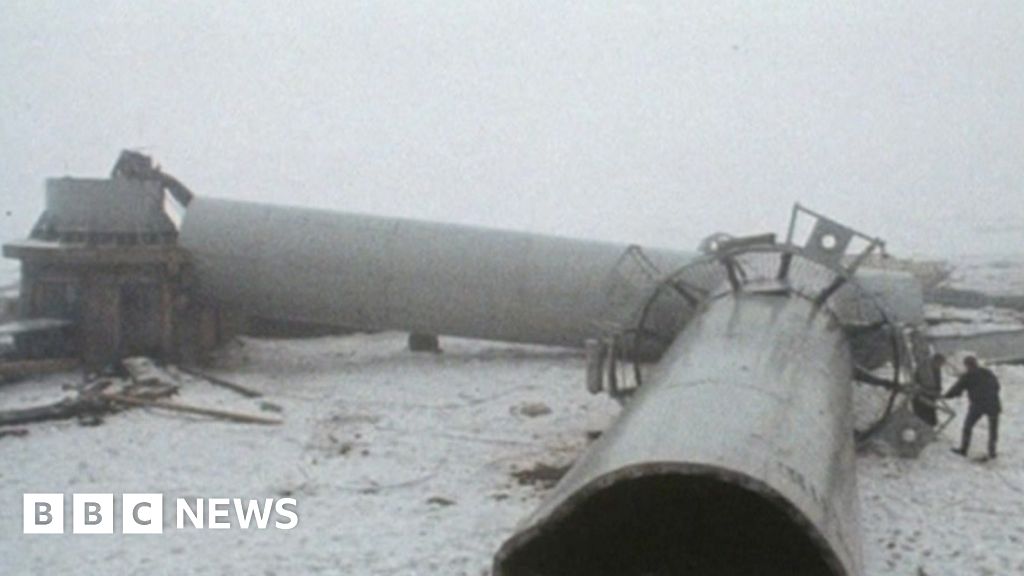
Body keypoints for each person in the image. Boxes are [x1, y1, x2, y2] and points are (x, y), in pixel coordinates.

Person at [943, 356, 1002, 459]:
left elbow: (956, 389)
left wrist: (945, 396)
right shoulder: (987, 372)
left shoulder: (968, 376)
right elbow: (997, 386)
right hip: (993, 403)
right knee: (993, 429)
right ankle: (992, 451)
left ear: (967, 365)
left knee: (967, 426)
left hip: (978, 405)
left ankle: (964, 449)